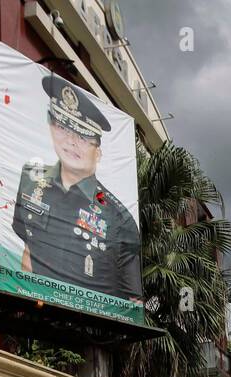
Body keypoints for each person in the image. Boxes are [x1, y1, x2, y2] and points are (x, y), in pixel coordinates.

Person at [12, 75, 142, 300]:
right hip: (38, 318)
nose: (70, 142)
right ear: (51, 128)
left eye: (82, 136)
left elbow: (133, 301)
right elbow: (28, 253)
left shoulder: (120, 220)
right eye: (63, 127)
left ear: (98, 152)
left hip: (91, 329)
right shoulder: (30, 180)